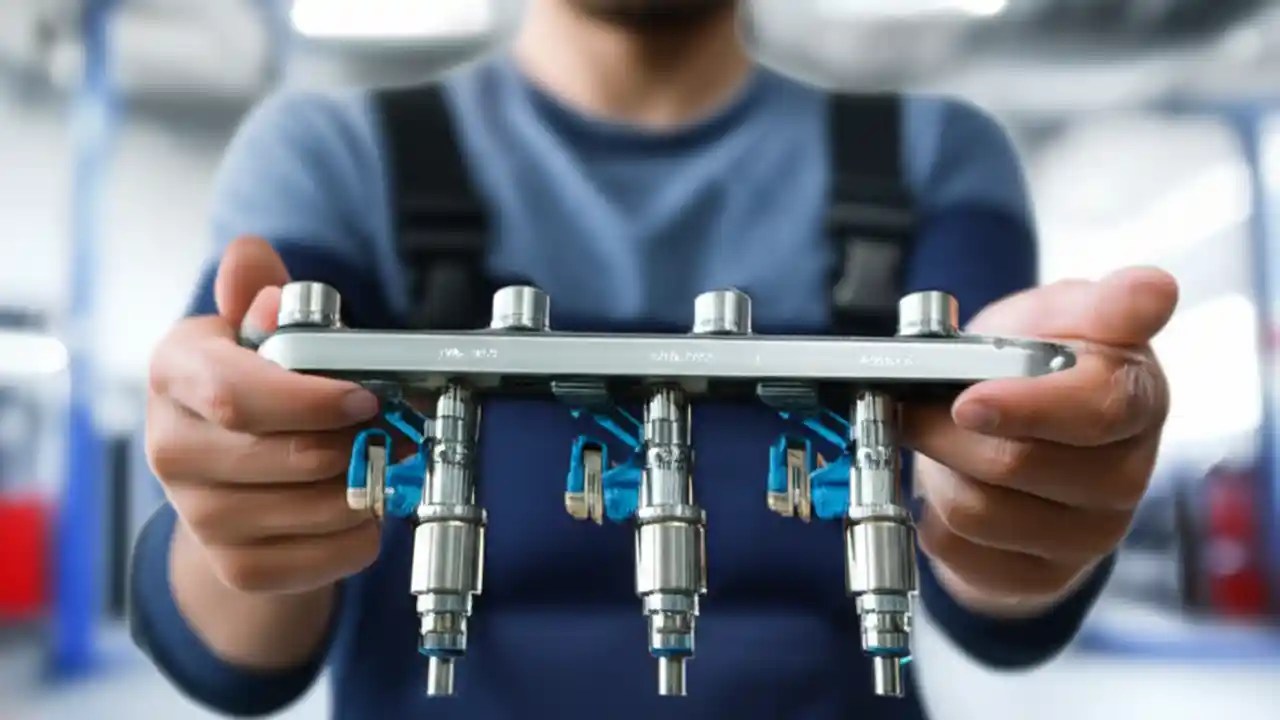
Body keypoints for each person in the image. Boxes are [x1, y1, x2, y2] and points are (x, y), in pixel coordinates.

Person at [132, 1, 1178, 718]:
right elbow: (229, 646)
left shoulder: (932, 154)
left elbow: (989, 576)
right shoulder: (332, 155)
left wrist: (1030, 495)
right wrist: (236, 517)